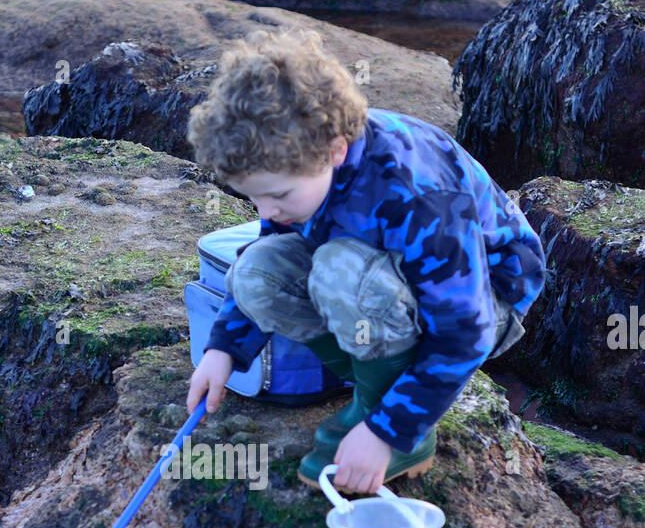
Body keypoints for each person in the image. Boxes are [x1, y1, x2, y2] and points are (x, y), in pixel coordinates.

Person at [185, 27, 547, 495]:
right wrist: (224, 349)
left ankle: (397, 429)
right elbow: (275, 243)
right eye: (253, 198)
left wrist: (385, 432)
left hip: (487, 303)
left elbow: (466, 328)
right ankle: (371, 382)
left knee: (342, 272)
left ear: (334, 150)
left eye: (277, 195)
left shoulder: (415, 190)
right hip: (387, 284)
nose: (266, 211)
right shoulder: (300, 170)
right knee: (254, 271)